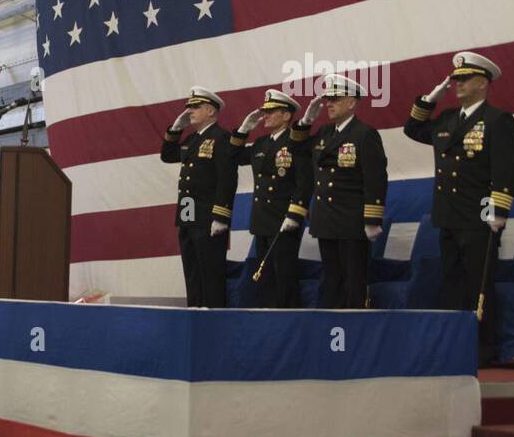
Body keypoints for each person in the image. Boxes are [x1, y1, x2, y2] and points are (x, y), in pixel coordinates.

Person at [404, 52, 514, 364]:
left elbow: (505, 167)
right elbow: (413, 129)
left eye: (463, 79)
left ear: (482, 83)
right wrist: (430, 100)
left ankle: (483, 348)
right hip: (447, 213)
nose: (456, 84)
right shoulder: (445, 120)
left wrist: (498, 209)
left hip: (479, 214)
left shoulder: (497, 120)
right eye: (455, 79)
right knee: (452, 281)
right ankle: (456, 342)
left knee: (478, 282)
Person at [293, 74, 388, 308]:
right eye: (328, 99)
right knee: (331, 279)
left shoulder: (364, 134)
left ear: (352, 102)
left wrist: (372, 218)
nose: (329, 104)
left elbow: (375, 178)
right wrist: (306, 121)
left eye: (335, 99)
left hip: (351, 220)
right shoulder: (325, 133)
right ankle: (331, 329)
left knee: (353, 281)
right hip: (326, 218)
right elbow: (296, 148)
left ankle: (354, 331)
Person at [230, 90, 313, 307]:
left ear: (286, 116)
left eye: (271, 111)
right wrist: (243, 130)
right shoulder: (260, 143)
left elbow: (304, 180)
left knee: (284, 273)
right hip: (262, 218)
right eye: (264, 111)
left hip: (284, 217)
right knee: (265, 274)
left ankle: (288, 317)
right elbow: (233, 156)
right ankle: (268, 318)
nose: (265, 116)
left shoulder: (296, 142)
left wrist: (296, 213)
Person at [160, 86, 238, 307]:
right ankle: (194, 310)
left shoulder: (222, 138)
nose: (190, 111)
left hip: (208, 217)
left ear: (211, 111)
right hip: (188, 214)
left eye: (195, 107)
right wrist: (175, 129)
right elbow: (167, 155)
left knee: (210, 273)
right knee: (192, 271)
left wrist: (221, 216)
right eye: (189, 107)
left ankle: (213, 317)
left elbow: (227, 179)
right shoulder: (192, 139)